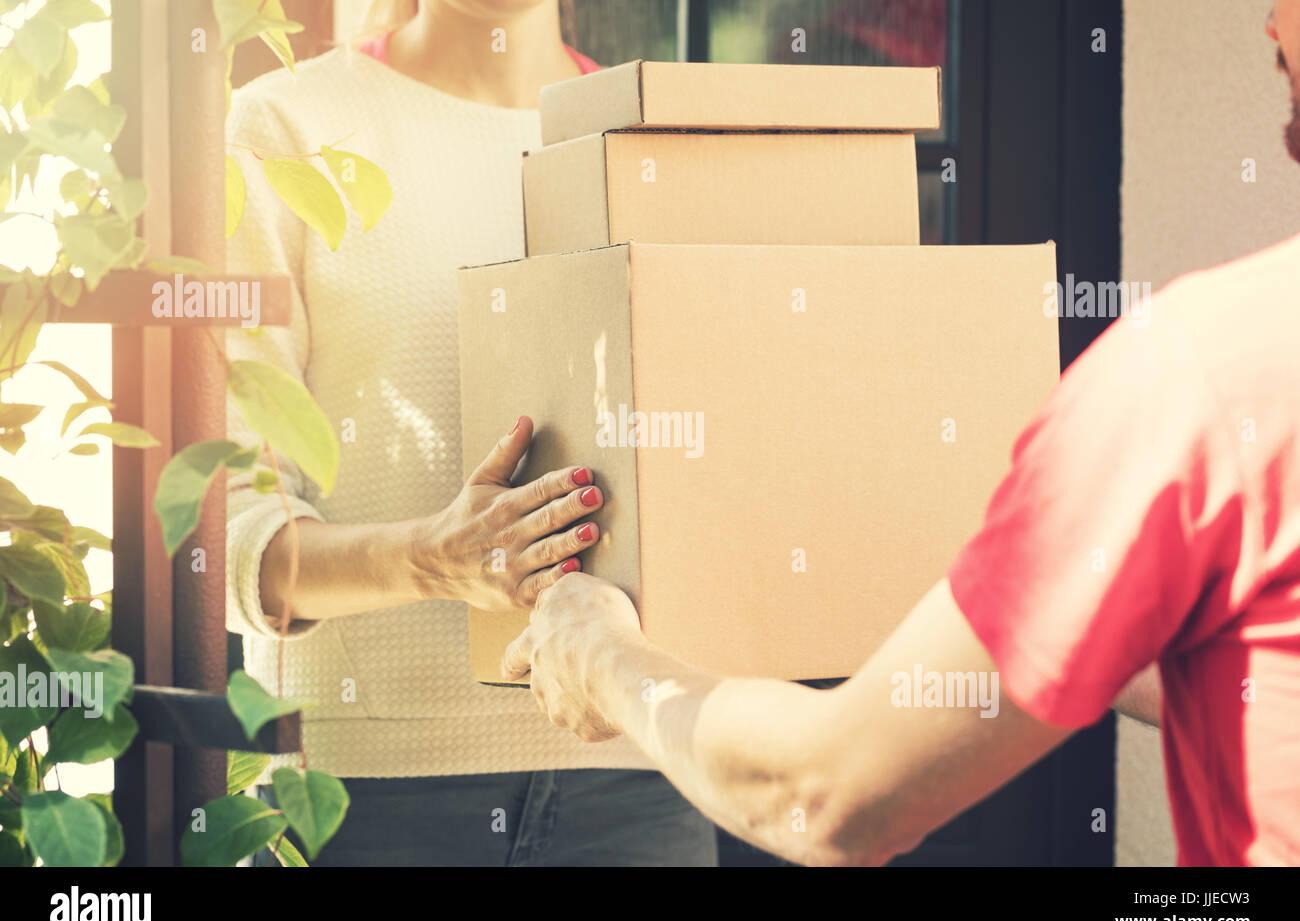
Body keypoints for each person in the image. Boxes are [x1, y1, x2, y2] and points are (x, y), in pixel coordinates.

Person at [506, 1, 1300, 867]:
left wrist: (603, 659)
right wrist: (1037, 600)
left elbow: (826, 795)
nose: (1269, 21)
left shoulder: (1201, 373)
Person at [224, 0, 716, 865]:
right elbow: (232, 535)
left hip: (646, 767)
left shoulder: (664, 132)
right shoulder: (283, 126)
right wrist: (431, 559)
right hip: (368, 792)